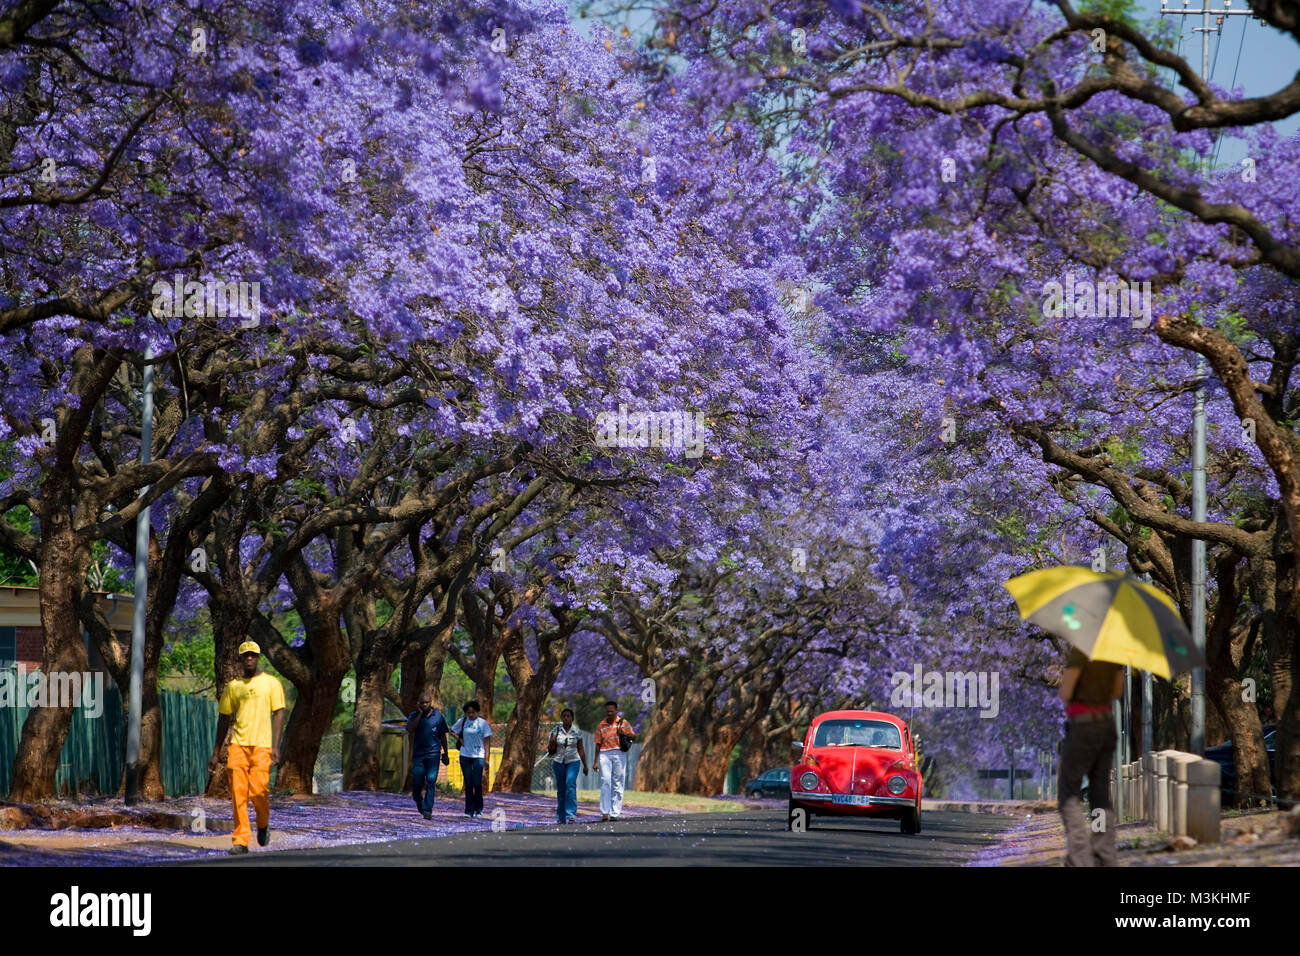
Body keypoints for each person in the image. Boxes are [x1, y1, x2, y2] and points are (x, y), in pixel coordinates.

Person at [208, 641, 286, 855]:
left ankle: (263, 824)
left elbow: (279, 712)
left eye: (253, 655)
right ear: (241, 659)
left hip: (262, 747)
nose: (249, 659)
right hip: (238, 747)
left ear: (258, 657)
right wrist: (216, 752)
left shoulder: (271, 683)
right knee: (238, 794)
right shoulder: (233, 687)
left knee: (259, 791)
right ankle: (241, 840)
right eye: (246, 656)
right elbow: (223, 718)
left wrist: (276, 746)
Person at [1057, 647, 1124, 866]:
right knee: (1099, 794)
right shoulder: (1113, 653)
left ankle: (1080, 857)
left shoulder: (1080, 652)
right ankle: (1103, 854)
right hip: (1106, 726)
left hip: (1083, 727)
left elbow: (1066, 693)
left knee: (1069, 793)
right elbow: (1117, 692)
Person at [406, 692, 450, 820]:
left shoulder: (438, 716)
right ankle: (419, 801)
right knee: (417, 782)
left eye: (427, 702)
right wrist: (419, 714)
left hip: (433, 754)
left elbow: (443, 736)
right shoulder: (414, 716)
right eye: (422, 703)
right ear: (418, 704)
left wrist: (445, 753)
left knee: (431, 781)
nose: (425, 705)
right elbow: (409, 729)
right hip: (418, 755)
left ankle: (427, 810)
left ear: (431, 702)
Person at [593, 700, 635, 821]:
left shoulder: (623, 723)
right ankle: (605, 812)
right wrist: (596, 761)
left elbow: (634, 736)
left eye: (612, 711)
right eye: (607, 712)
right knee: (605, 781)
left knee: (618, 782)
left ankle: (614, 813)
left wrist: (624, 733)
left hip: (619, 753)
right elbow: (597, 744)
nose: (610, 714)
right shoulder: (601, 725)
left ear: (616, 711)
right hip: (604, 754)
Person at [547, 707, 588, 824]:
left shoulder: (577, 731)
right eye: (564, 716)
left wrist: (585, 766)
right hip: (559, 762)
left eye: (568, 716)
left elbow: (580, 749)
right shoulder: (555, 731)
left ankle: (571, 814)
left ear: (572, 718)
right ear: (561, 718)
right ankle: (561, 816)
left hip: (573, 761)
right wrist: (552, 741)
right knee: (561, 789)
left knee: (570, 785)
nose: (566, 718)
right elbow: (550, 750)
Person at [451, 700, 491, 818]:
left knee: (477, 783)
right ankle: (469, 810)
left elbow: (487, 741)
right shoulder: (462, 721)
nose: (471, 715)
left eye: (473, 712)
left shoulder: (483, 724)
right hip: (465, 755)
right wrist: (459, 739)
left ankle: (479, 809)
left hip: (478, 756)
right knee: (468, 783)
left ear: (477, 711)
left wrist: (486, 758)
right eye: (468, 713)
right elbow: (452, 730)